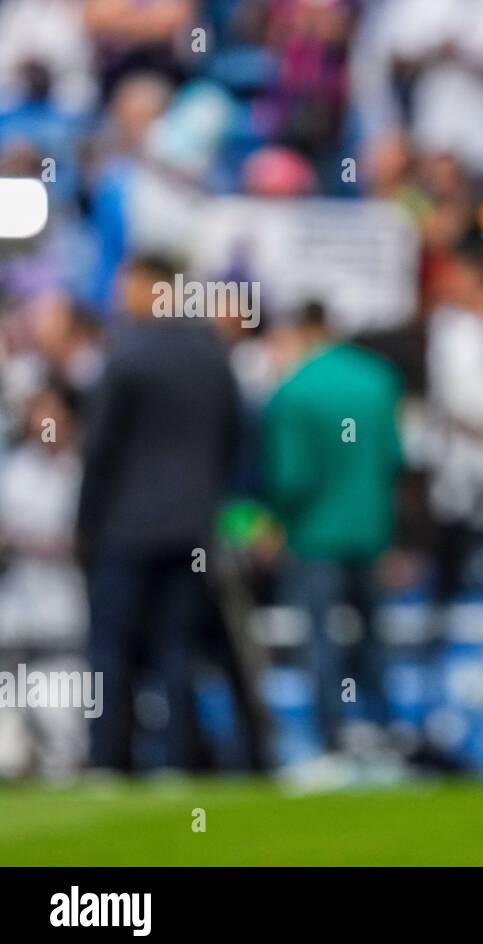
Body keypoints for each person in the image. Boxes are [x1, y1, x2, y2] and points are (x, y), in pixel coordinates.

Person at [77, 253, 240, 772]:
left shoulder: (126, 355)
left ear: (154, 288)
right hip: (193, 527)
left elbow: (100, 451)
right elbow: (235, 439)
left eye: (129, 285)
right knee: (177, 646)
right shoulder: (211, 356)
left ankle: (109, 758)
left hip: (126, 528)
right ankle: (180, 758)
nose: (121, 296)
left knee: (111, 647)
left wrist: (85, 525)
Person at [261, 302, 403, 753]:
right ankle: (384, 725)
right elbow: (394, 459)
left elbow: (291, 478)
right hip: (370, 529)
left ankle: (332, 733)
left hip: (316, 535)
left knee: (321, 638)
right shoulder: (378, 379)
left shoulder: (294, 390)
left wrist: (279, 521)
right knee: (373, 634)